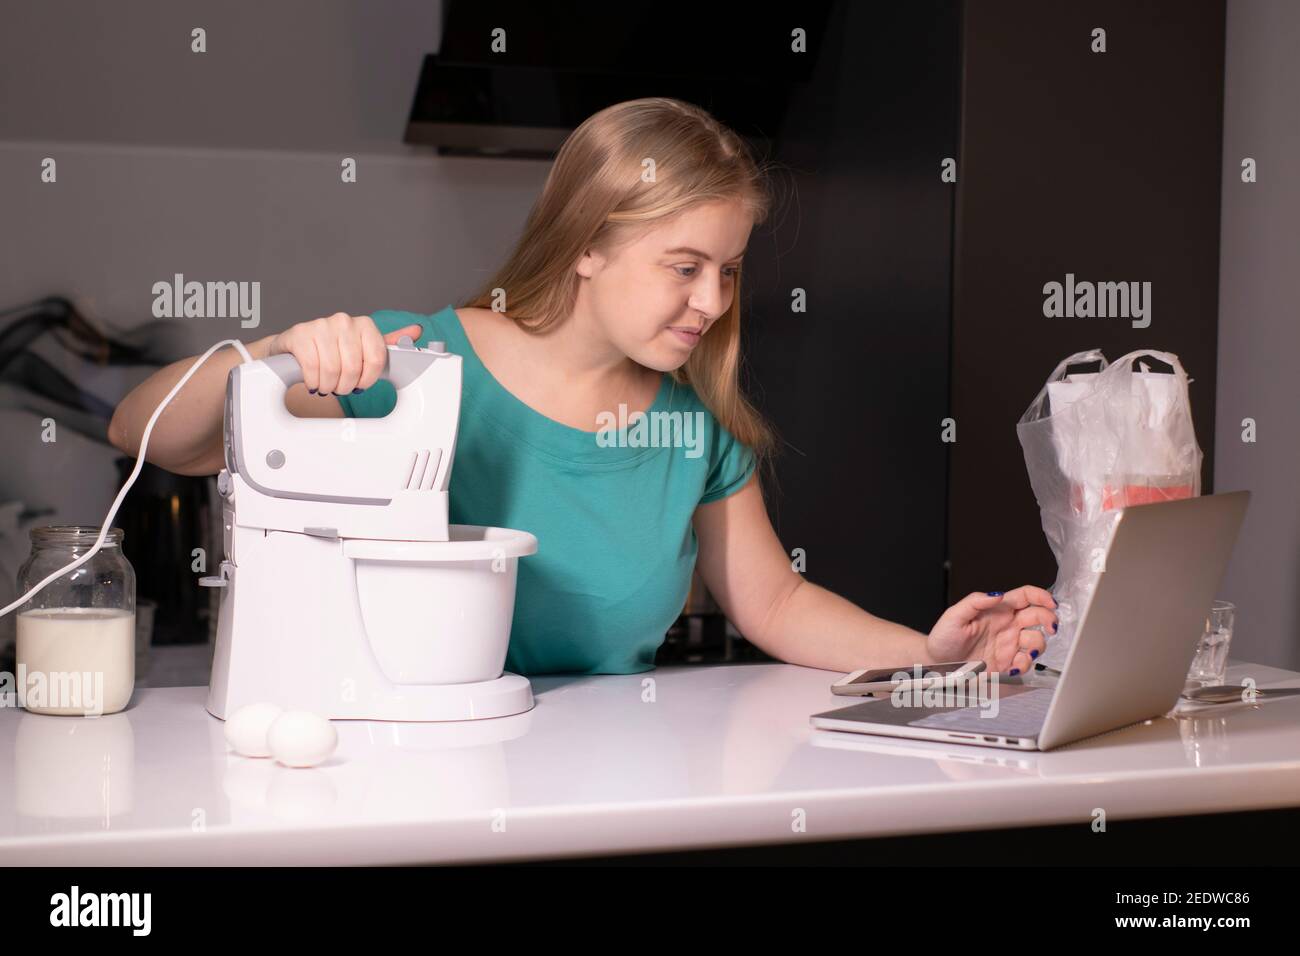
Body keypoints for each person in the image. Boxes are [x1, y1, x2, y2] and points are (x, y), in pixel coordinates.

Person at [109, 97, 1056, 677]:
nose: (712, 301)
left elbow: (775, 605)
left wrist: (929, 654)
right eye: (684, 266)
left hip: (607, 785)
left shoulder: (693, 430)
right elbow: (147, 436)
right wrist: (275, 351)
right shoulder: (414, 368)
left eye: (728, 271)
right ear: (589, 246)